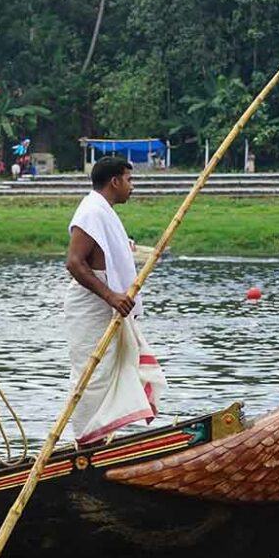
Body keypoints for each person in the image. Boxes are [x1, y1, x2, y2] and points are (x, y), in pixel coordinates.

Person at [64, 159, 167, 446]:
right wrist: (111, 295)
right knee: (91, 373)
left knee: (112, 369)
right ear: (115, 182)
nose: (132, 187)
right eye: (129, 180)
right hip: (92, 305)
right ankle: (86, 440)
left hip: (106, 304)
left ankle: (101, 435)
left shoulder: (103, 211)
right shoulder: (91, 211)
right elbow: (74, 262)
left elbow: (104, 253)